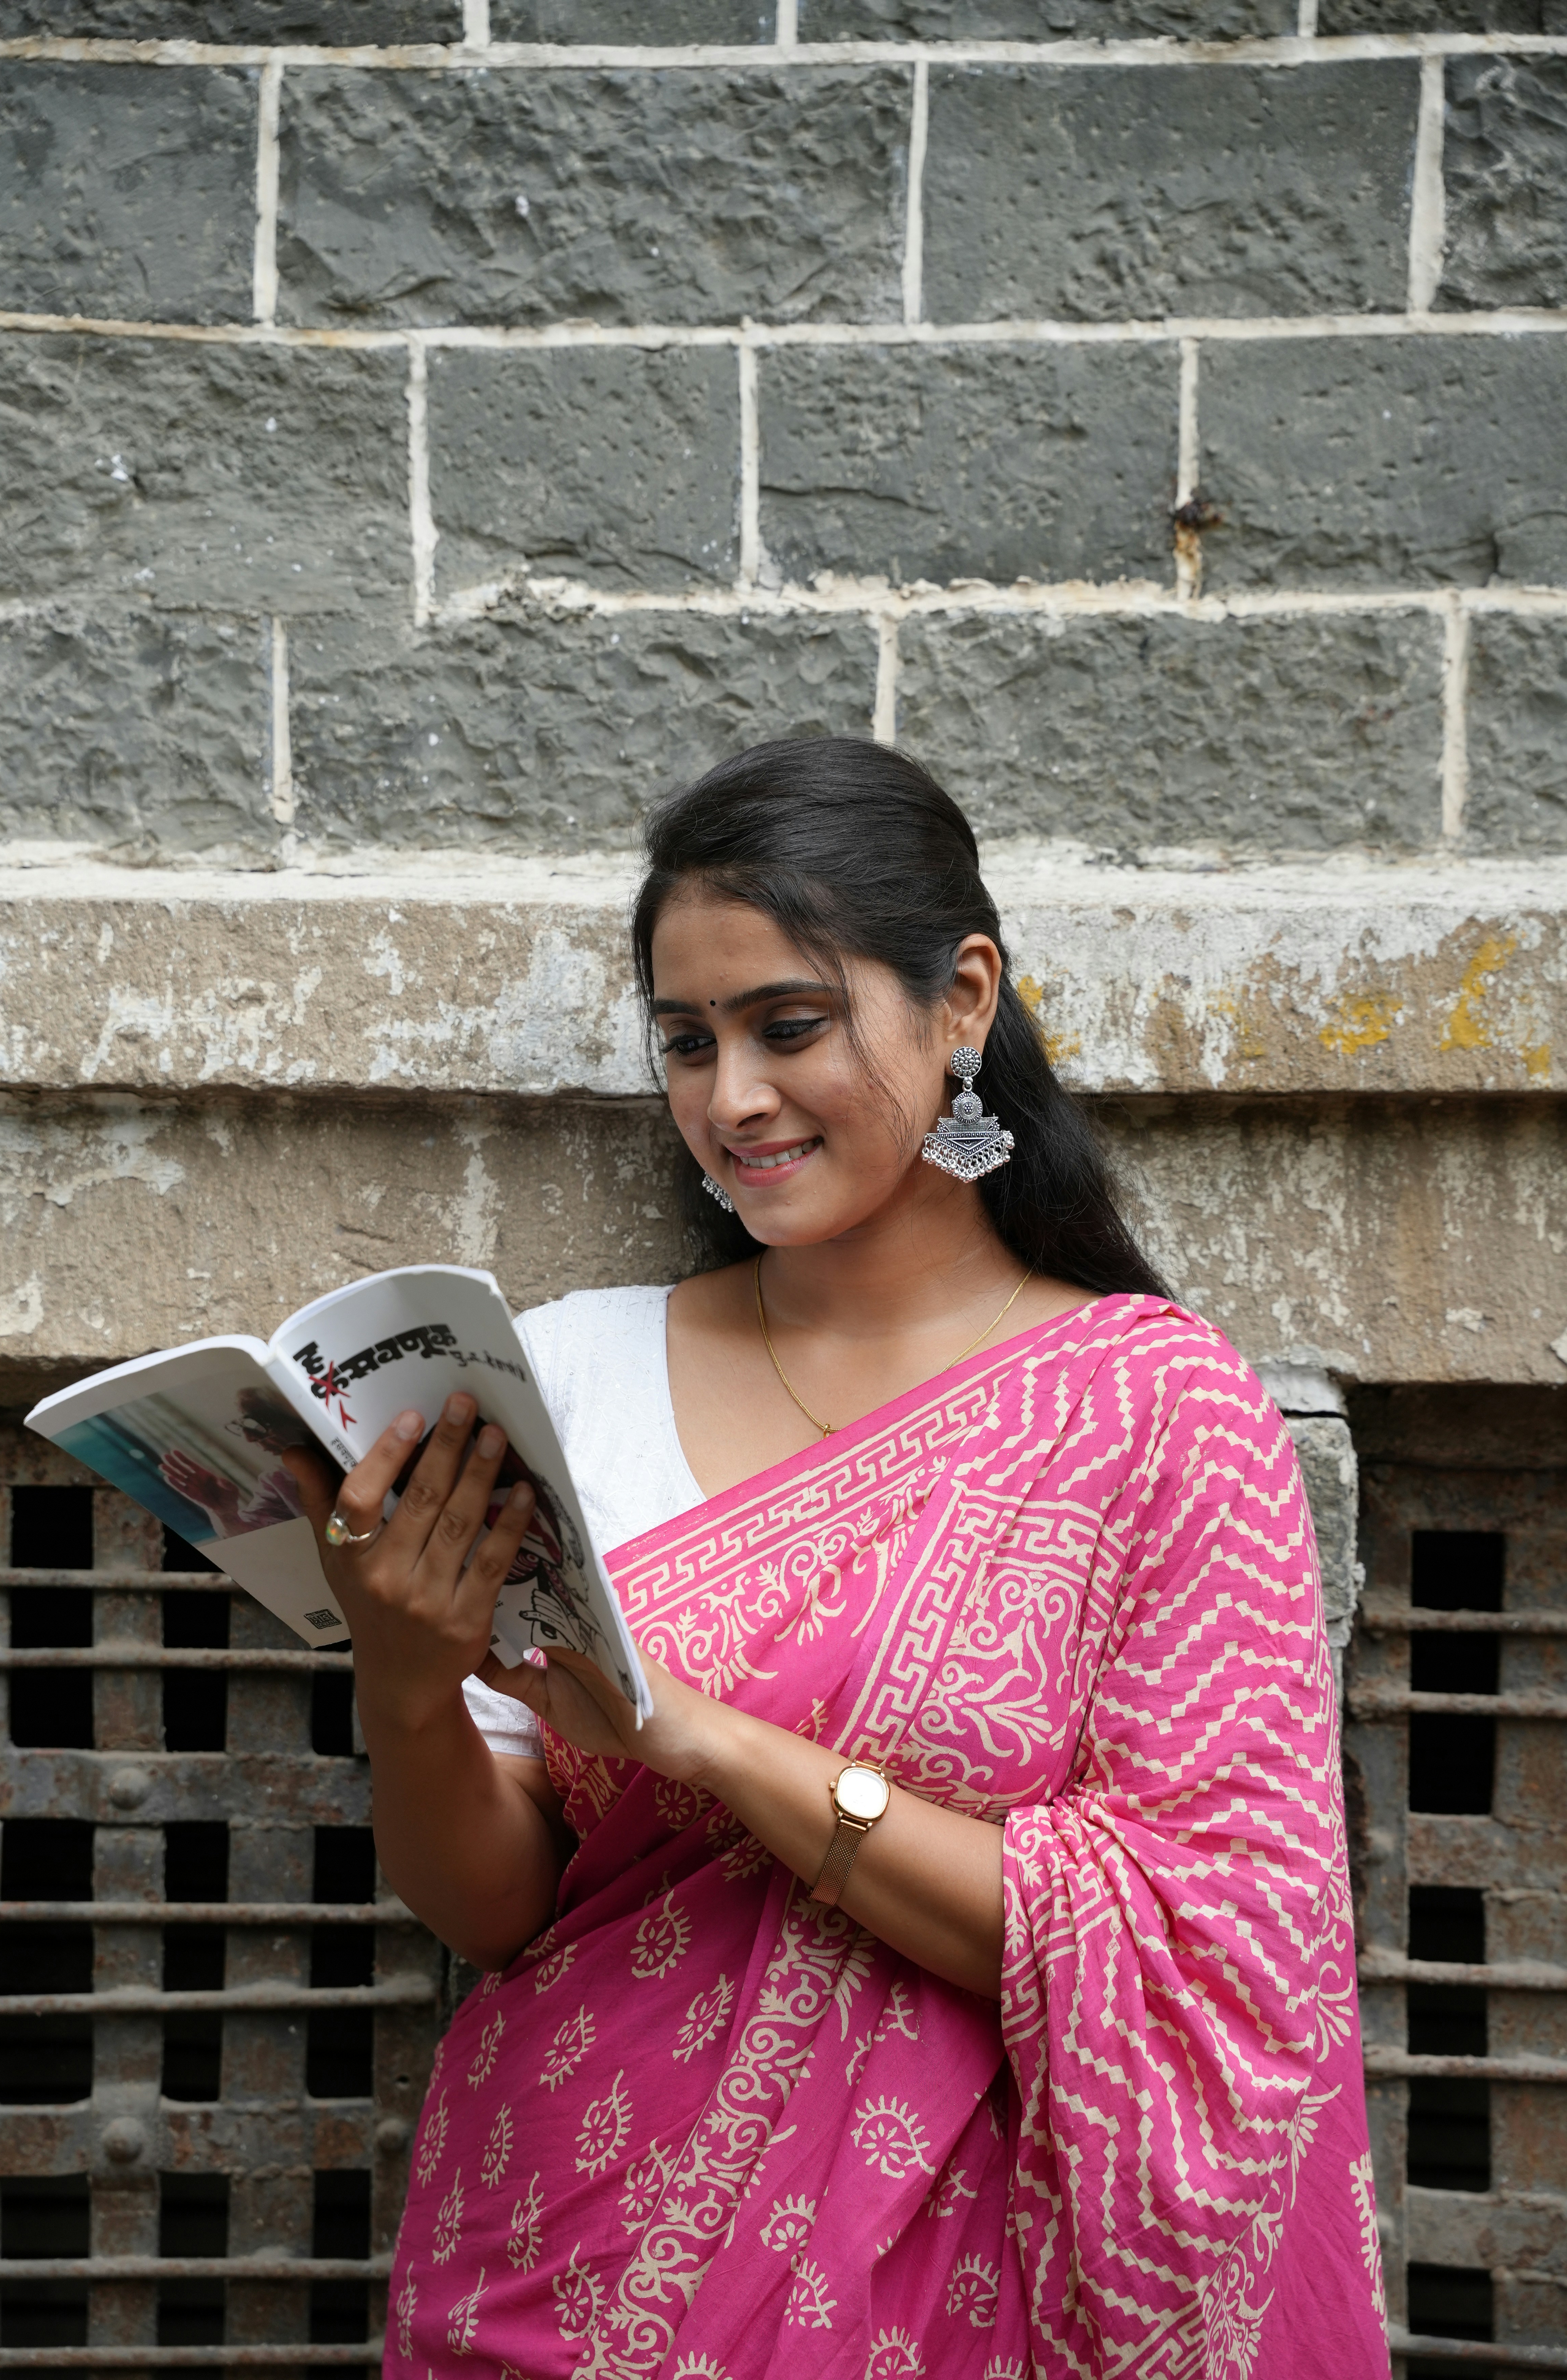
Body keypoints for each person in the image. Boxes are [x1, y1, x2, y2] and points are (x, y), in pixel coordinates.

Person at [285, 739, 1389, 2380]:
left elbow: (1200, 1956)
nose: (728, 1099)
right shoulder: (561, 1371)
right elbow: (499, 1909)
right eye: (684, 1042)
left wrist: (706, 1741)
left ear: (959, 1000)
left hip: (958, 2302)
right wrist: (402, 1676)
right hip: (551, 2255)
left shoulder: (1150, 1409)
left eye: (785, 1025)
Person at [160, 1388, 309, 1538]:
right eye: (244, 1426)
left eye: (260, 1423)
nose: (249, 1439)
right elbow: (253, 1538)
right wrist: (224, 1514)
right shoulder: (278, 1482)